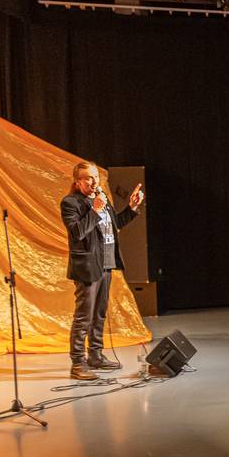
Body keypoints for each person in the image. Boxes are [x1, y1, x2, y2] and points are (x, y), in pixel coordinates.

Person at [62, 162, 145, 380]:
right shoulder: (71, 203)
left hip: (106, 263)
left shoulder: (102, 199)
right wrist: (95, 209)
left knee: (99, 313)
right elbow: (78, 232)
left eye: (96, 177)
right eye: (88, 178)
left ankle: (96, 355)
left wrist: (132, 208)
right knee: (84, 316)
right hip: (87, 267)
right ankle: (78, 363)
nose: (94, 181)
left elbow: (114, 224)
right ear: (78, 181)